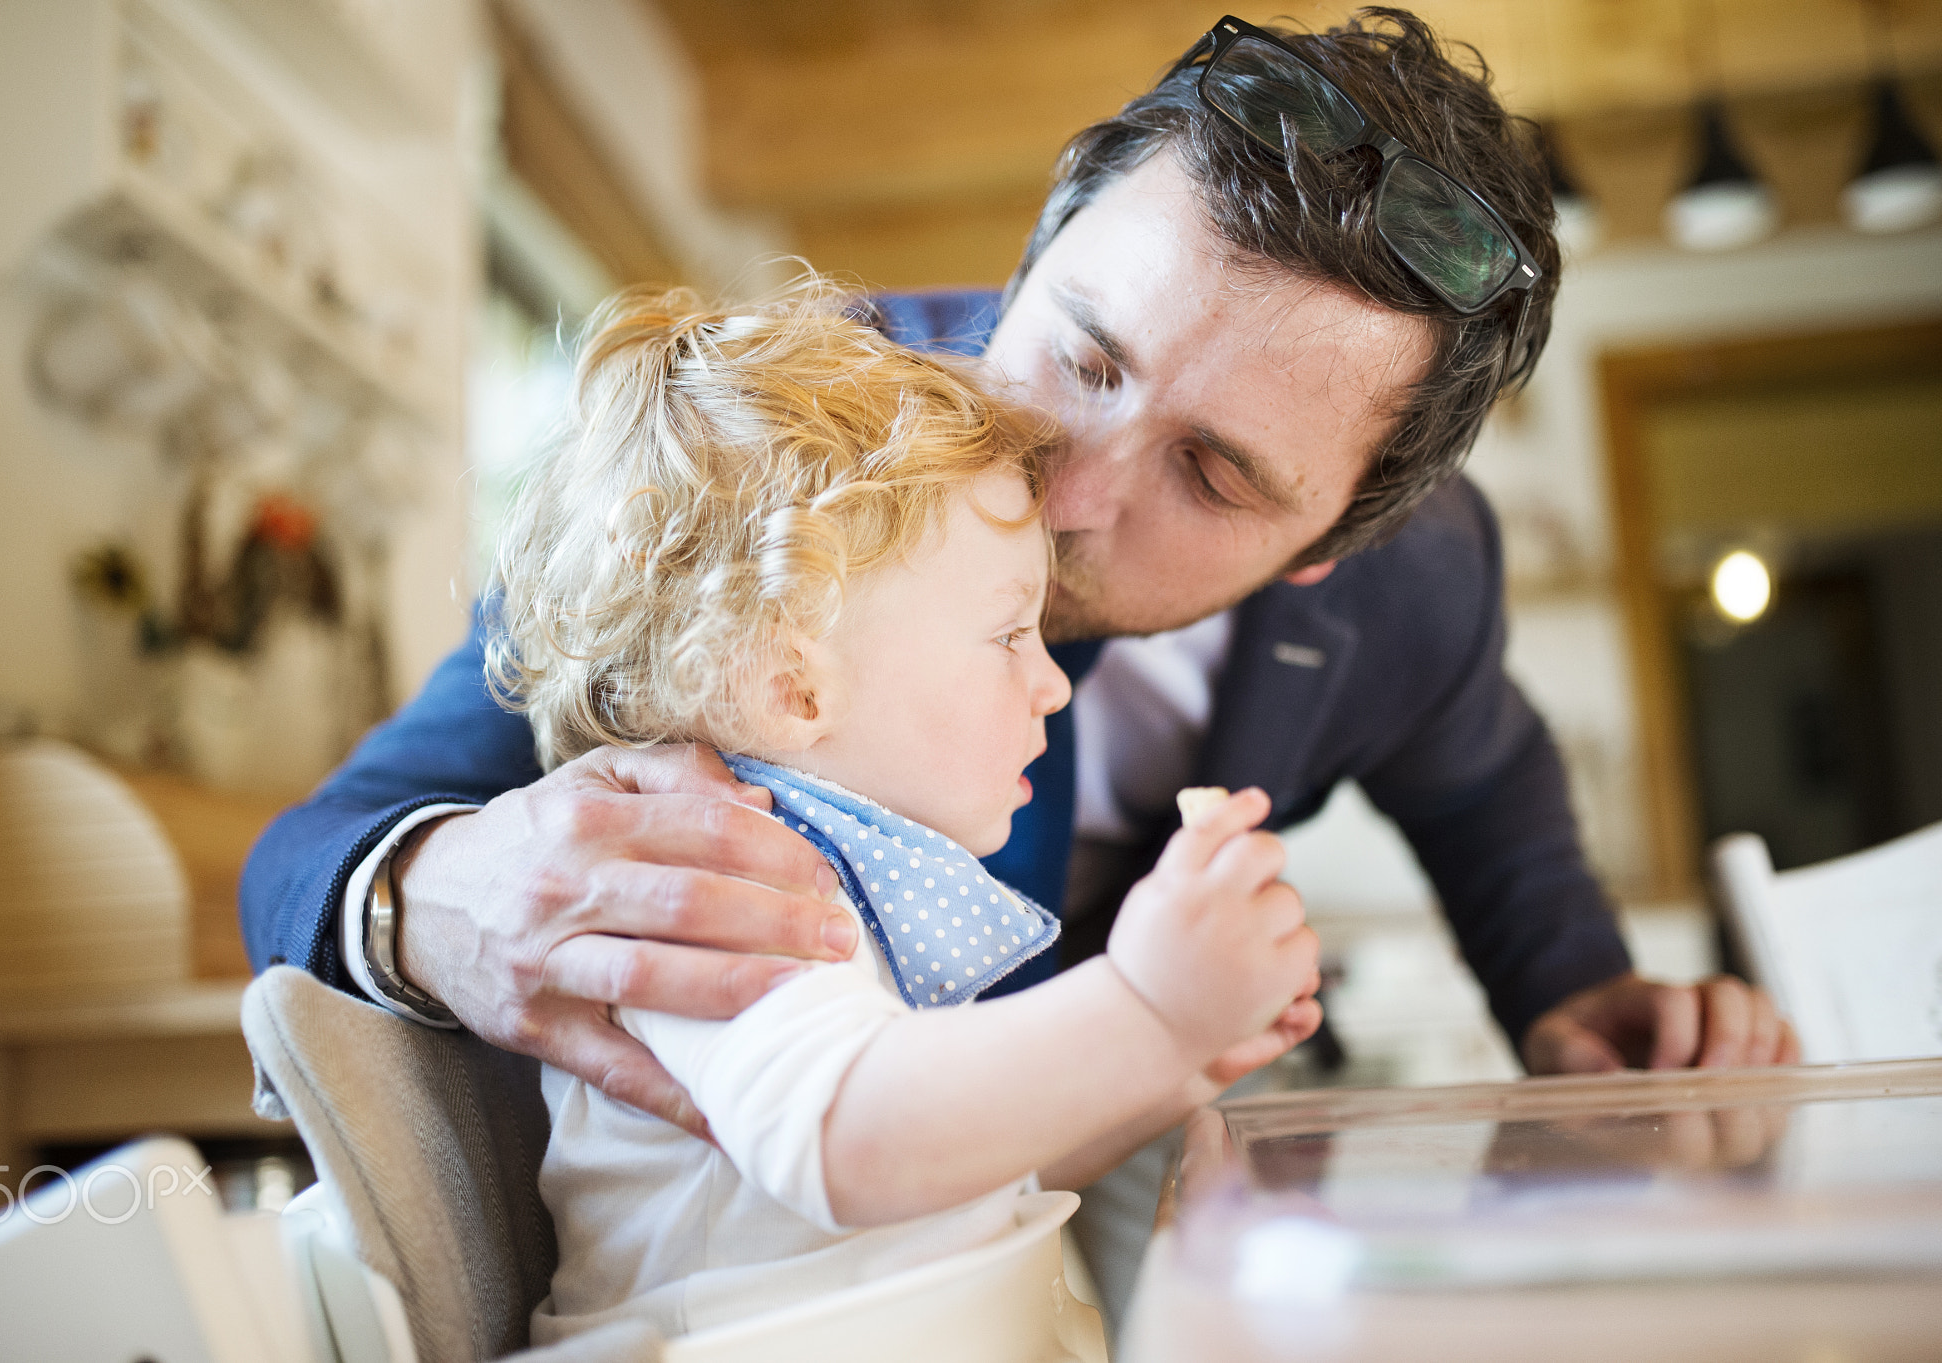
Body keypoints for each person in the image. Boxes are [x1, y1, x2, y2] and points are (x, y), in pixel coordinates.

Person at [241, 5, 1797, 1326]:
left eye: (1217, 475)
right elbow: (315, 849)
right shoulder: (764, 465)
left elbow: (1491, 780)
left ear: (1335, 538)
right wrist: (428, 893)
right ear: (1035, 253)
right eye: (1084, 353)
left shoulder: (1422, 593)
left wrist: (1581, 1001)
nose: (1069, 491)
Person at [493, 281, 1320, 1345]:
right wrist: (1144, 1005)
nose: (1054, 684)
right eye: (1006, 634)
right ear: (793, 685)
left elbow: (949, 1177)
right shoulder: (717, 879)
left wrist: (1164, 1068)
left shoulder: (849, 881)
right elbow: (851, 1142)